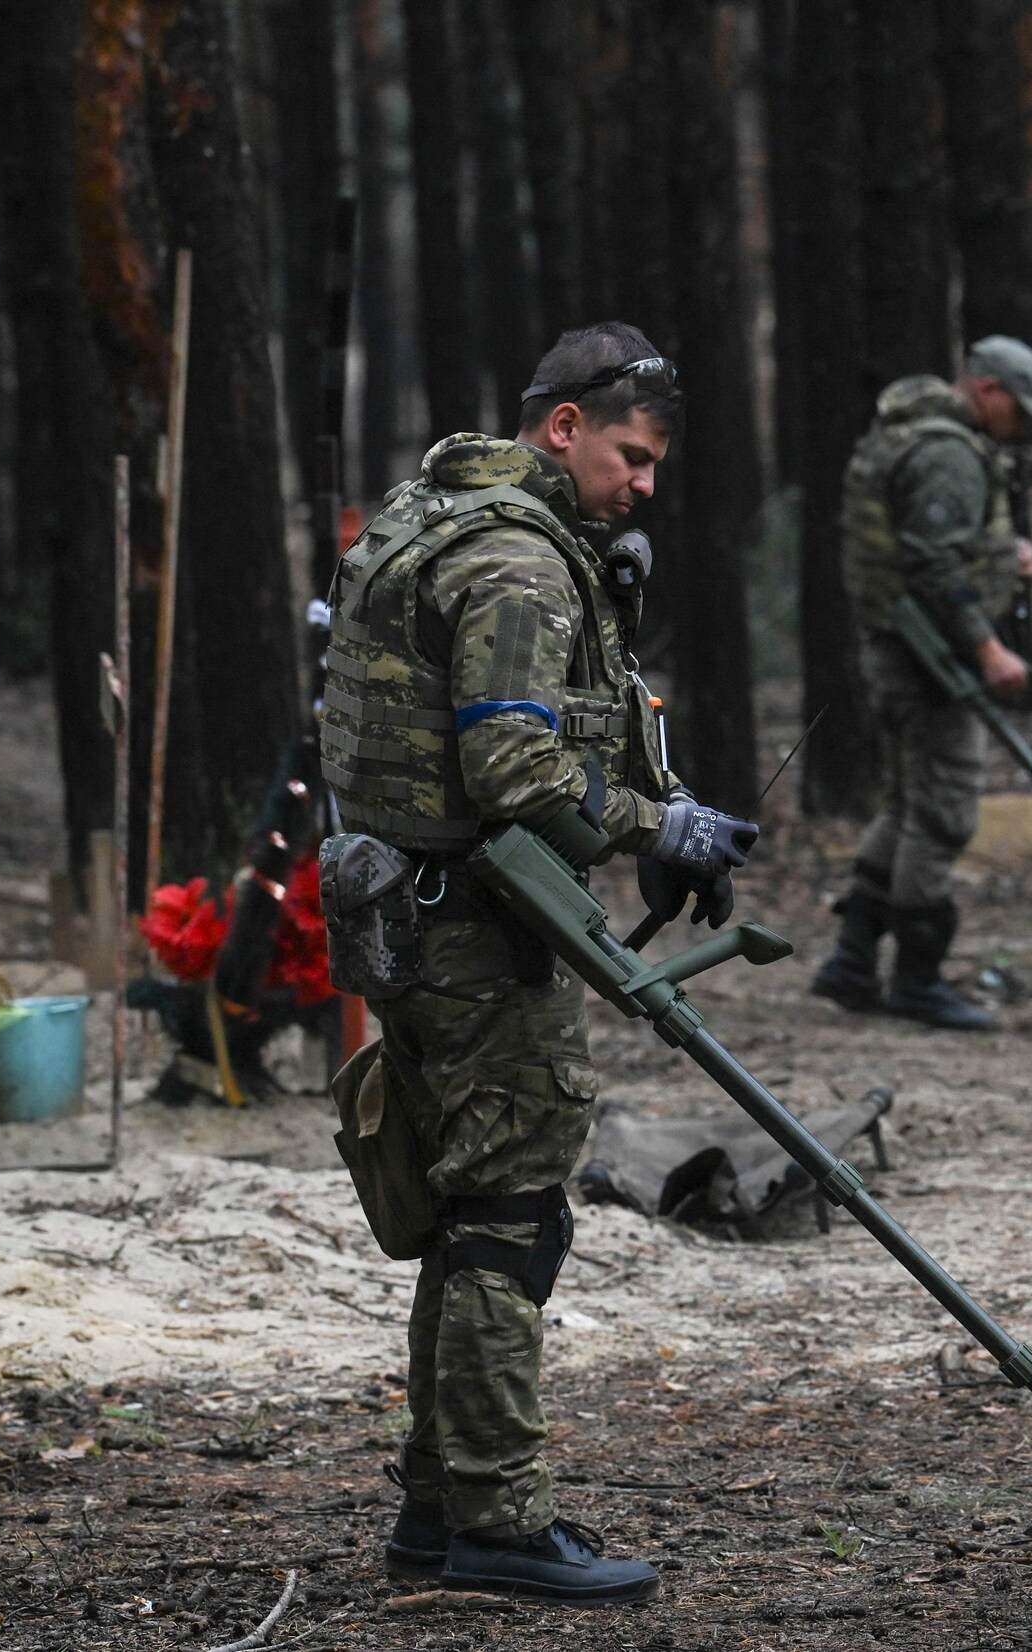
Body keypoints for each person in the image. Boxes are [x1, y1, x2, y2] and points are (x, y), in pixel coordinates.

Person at [318, 323, 757, 1604]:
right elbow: (512, 769)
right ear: (560, 429)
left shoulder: (446, 505)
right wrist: (653, 823)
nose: (645, 484)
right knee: (509, 1215)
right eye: (630, 455)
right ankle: (498, 1522)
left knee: (470, 1214)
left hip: (411, 907)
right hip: (466, 928)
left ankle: (434, 1509)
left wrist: (643, 788)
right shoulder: (516, 562)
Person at [810, 335, 1032, 1031]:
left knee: (907, 806)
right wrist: (989, 651)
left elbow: (928, 541)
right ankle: (917, 980)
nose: (1023, 423)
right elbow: (933, 566)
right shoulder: (949, 452)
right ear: (986, 390)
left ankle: (852, 961)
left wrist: (1004, 554)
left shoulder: (913, 437)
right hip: (928, 661)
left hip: (898, 653)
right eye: (1019, 407)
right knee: (943, 813)